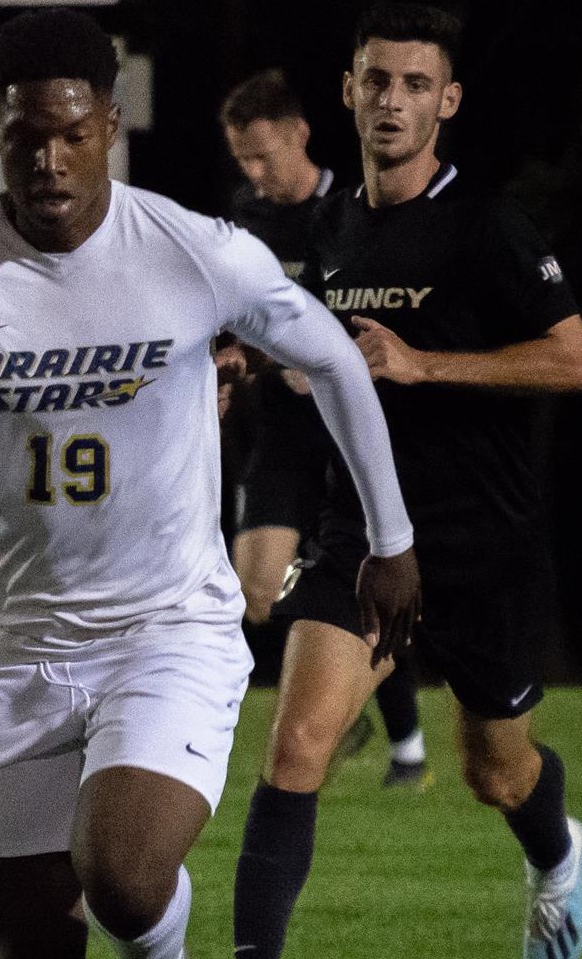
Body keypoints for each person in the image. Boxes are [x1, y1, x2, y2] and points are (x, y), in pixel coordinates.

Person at [0, 10, 418, 959]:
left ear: (108, 128)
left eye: (71, 134)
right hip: (17, 641)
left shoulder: (190, 249)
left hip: (166, 626)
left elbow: (331, 360)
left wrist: (391, 540)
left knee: (118, 870)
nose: (48, 159)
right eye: (24, 136)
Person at [208, 2, 582, 959]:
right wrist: (242, 365)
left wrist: (429, 365)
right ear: (347, 91)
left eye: (413, 85)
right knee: (293, 747)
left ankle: (554, 851)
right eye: (375, 81)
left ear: (446, 102)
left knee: (496, 777)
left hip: (480, 545)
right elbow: (317, 355)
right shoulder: (330, 231)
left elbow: (573, 364)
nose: (391, 102)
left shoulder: (488, 226)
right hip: (360, 536)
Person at [218, 67, 430, 788]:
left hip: (351, 434)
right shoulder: (242, 219)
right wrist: (233, 360)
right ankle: (360, 711)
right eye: (241, 158)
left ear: (300, 135)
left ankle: (405, 740)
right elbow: (233, 320)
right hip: (282, 435)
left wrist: (339, 360)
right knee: (254, 591)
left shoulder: (347, 208)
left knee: (370, 588)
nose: (253, 171)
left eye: (263, 154)